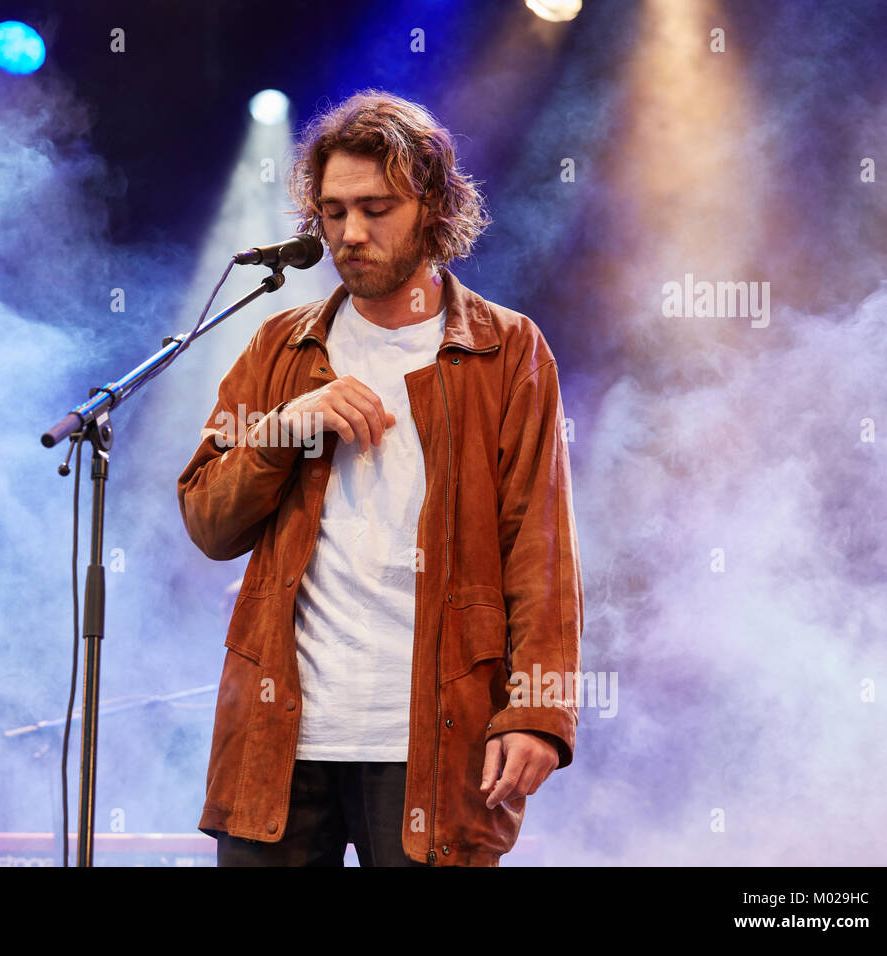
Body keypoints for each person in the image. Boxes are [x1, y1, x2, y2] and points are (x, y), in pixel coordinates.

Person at [176, 89, 584, 866]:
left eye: (376, 208)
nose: (349, 234)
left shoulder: (508, 351)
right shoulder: (280, 348)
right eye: (332, 213)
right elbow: (207, 521)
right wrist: (285, 427)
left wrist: (539, 711)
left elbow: (540, 547)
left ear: (432, 207)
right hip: (278, 744)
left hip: (436, 740)